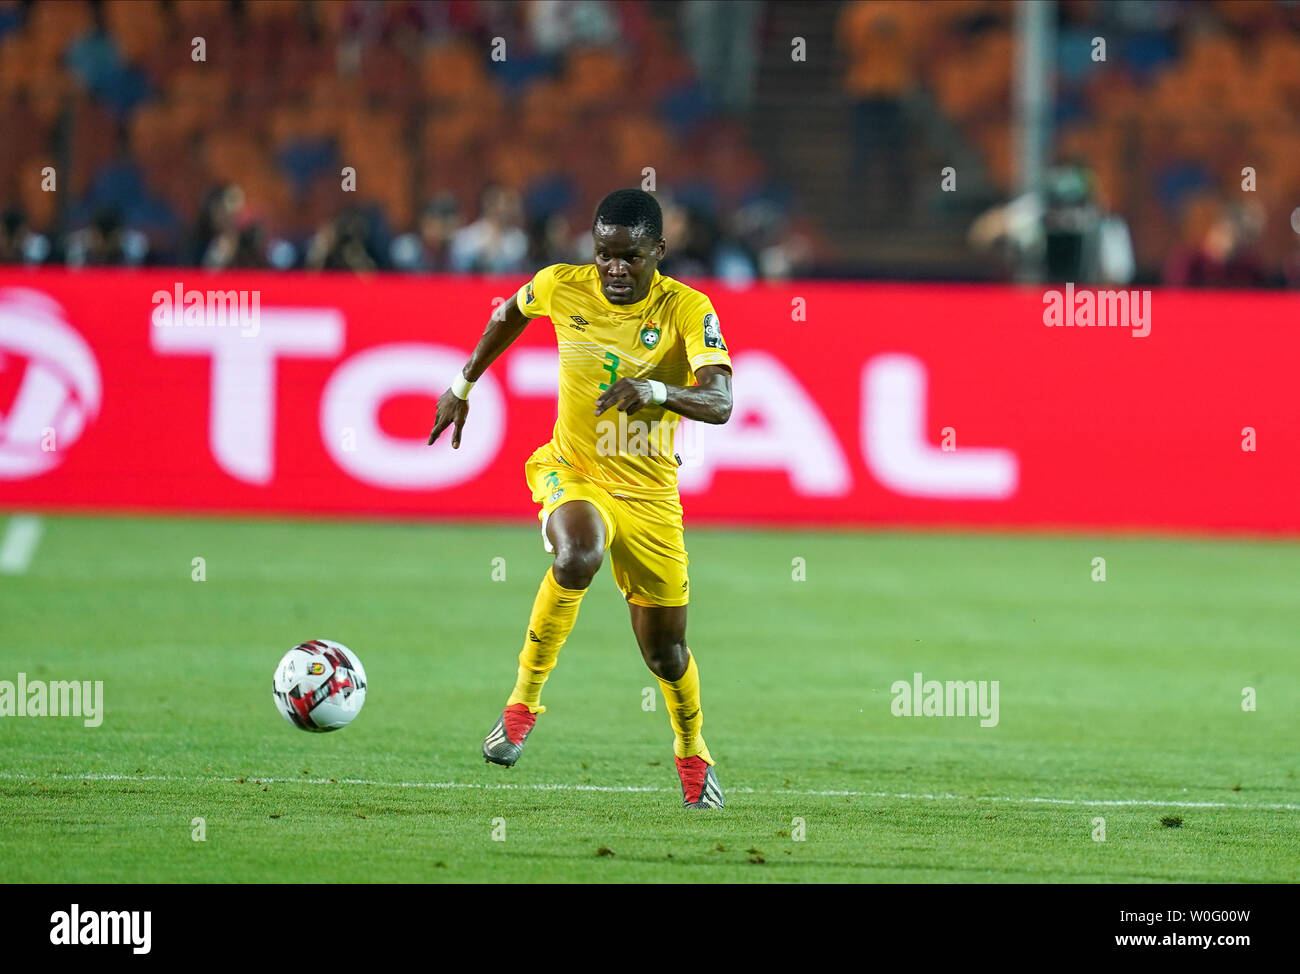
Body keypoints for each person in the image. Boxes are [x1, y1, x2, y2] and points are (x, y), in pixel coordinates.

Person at [426, 189, 733, 809]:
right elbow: (508, 314)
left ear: (659, 253)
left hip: (649, 496)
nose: (614, 269)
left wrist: (654, 392)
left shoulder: (685, 308)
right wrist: (463, 383)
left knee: (666, 654)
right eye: (604, 256)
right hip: (573, 467)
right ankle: (522, 706)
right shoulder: (561, 286)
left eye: (630, 257)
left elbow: (720, 401)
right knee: (578, 554)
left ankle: (692, 749)